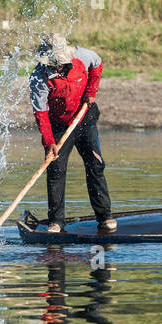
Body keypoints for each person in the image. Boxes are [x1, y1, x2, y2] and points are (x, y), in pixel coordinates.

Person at [29, 33, 115, 233]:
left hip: (84, 117)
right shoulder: (38, 78)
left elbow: (97, 65)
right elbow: (41, 114)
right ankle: (56, 222)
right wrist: (49, 142)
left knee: (95, 164)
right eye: (52, 64)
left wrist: (91, 91)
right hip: (58, 125)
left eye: (58, 64)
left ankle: (104, 217)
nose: (55, 67)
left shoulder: (83, 56)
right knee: (55, 168)